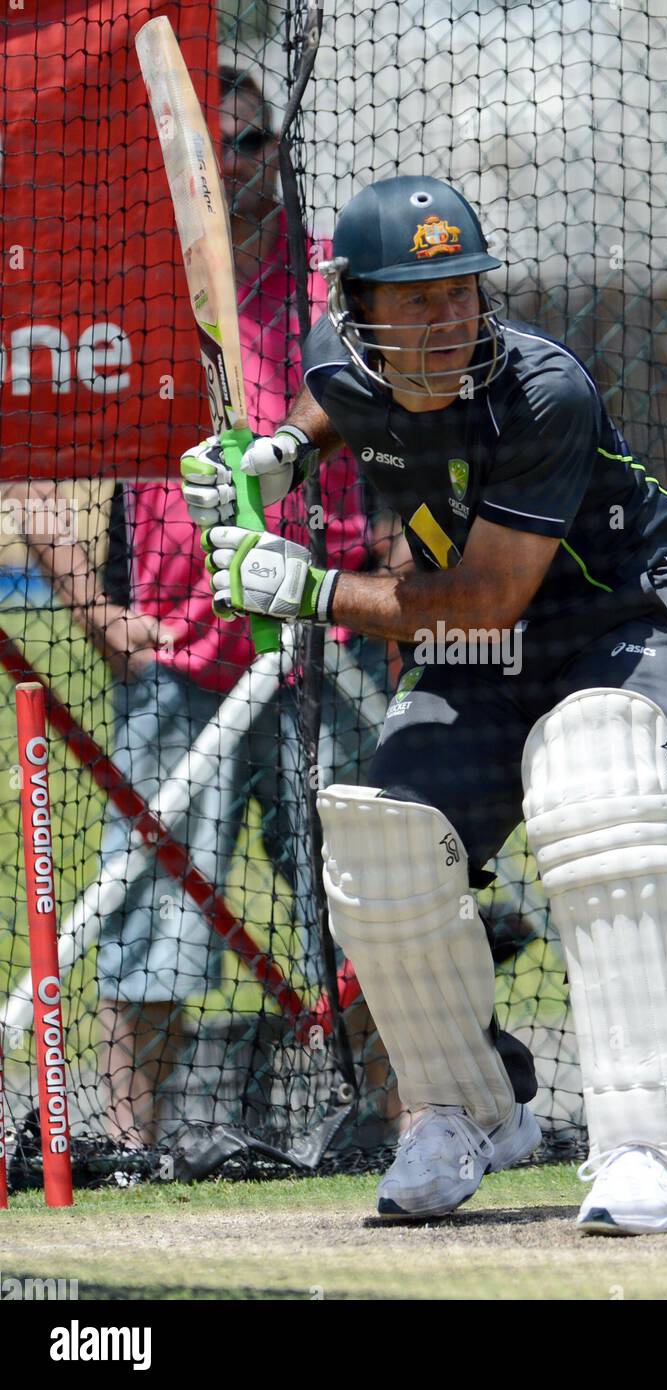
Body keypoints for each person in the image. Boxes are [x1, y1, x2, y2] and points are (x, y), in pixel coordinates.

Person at [184, 175, 667, 1234]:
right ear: (362, 309)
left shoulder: (540, 392)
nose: (446, 318)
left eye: (460, 293)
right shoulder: (345, 365)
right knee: (381, 843)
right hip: (481, 655)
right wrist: (280, 454)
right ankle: (469, 1109)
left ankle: (649, 1144)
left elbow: (482, 595)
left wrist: (307, 587)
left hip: (620, 619)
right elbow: (338, 398)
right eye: (416, 299)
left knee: (596, 786)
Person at [17, 70, 372, 1146]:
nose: (225, 165)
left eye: (249, 142)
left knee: (369, 900)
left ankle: (412, 1122)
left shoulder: (338, 282)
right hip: (179, 646)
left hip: (330, 634)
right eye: (204, 145)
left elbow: (427, 418)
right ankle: (130, 1146)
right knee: (150, 910)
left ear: (278, 148)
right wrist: (93, 611)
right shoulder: (120, 283)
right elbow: (31, 465)